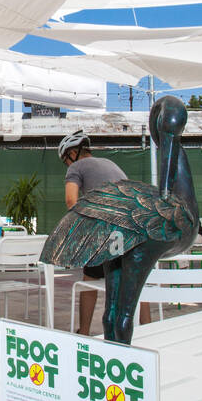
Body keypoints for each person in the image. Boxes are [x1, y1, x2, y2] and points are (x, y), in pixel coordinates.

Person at [59, 131, 150, 336]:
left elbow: (71, 201)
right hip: (135, 230)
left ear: (73, 153)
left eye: (65, 159)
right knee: (135, 278)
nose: (66, 164)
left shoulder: (76, 167)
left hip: (109, 232)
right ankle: (148, 328)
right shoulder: (110, 163)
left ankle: (83, 331)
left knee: (89, 277)